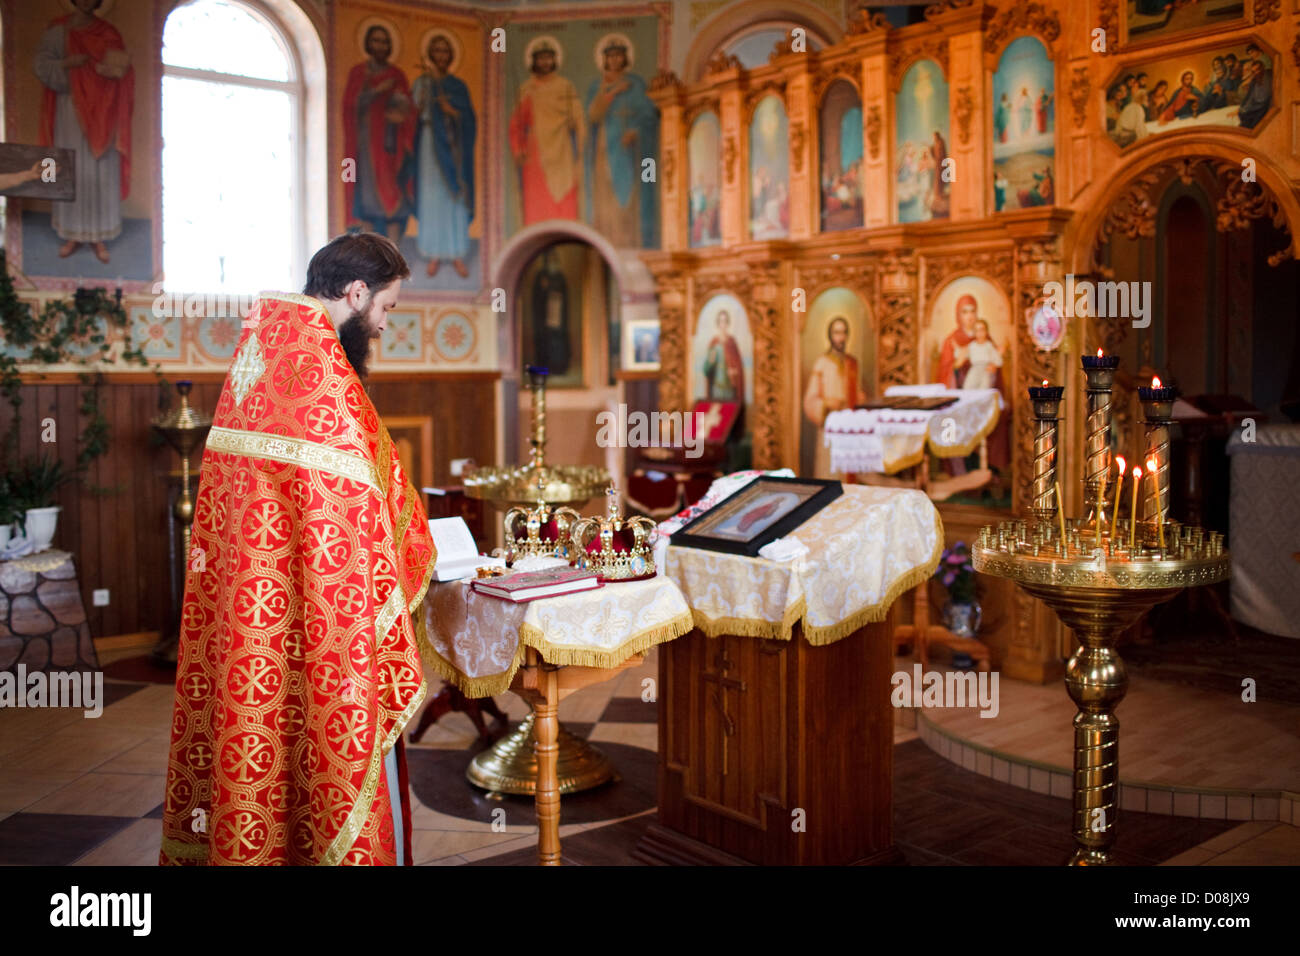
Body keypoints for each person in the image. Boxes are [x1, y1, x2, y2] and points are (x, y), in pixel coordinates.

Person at [160, 233, 436, 866]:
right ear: (356, 292)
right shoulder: (322, 379)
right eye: (386, 310)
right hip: (314, 619)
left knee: (255, 738)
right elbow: (362, 512)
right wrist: (421, 539)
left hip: (247, 622)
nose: (385, 327)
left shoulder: (262, 348)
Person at [33, 0, 133, 264]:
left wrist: (108, 71)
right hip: (70, 109)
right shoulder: (58, 30)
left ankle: (98, 236)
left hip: (103, 111)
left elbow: (123, 68)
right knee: (72, 169)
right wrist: (69, 63)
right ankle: (72, 234)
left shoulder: (109, 33)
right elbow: (42, 65)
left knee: (100, 170)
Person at [409, 34, 476, 279]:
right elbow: (410, 114)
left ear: (451, 56)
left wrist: (454, 113)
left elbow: (470, 121)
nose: (441, 56)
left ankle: (456, 253)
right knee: (432, 198)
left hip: (454, 149)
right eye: (436, 51)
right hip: (429, 144)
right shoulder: (422, 83)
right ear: (430, 54)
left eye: (445, 51)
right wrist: (423, 101)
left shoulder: (458, 87)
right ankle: (433, 253)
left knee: (453, 197)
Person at [584, 37, 658, 248]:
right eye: (610, 56)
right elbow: (593, 115)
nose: (615, 60)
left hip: (632, 154)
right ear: (604, 59)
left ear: (625, 57)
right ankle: (608, 246)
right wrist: (613, 91)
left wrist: (636, 131)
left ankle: (631, 244)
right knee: (605, 199)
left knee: (632, 198)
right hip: (605, 150)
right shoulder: (597, 86)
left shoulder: (636, 84)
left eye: (619, 55)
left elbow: (650, 115)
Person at [342, 25, 414, 244]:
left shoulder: (397, 75)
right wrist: (378, 91)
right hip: (365, 144)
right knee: (368, 197)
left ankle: (394, 251)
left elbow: (408, 109)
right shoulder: (359, 73)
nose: (380, 46)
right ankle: (369, 249)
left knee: (395, 193)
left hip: (392, 145)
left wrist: (401, 108)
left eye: (384, 41)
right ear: (367, 44)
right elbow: (351, 105)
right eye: (375, 41)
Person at [509, 41, 584, 224]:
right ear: (534, 61)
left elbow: (579, 119)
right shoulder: (526, 89)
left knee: (564, 198)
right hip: (535, 154)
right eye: (541, 58)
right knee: (537, 203)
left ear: (554, 60)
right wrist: (519, 149)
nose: (545, 62)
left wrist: (580, 151)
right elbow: (516, 124)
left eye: (548, 58)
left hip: (562, 151)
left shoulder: (565, 86)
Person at [802, 316, 863, 477]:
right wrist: (826, 404)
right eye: (836, 333)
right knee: (829, 472)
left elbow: (859, 393)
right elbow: (810, 399)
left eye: (843, 333)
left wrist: (860, 400)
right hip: (829, 425)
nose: (840, 338)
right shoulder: (822, 363)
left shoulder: (852, 363)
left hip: (850, 426)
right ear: (830, 336)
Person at [702, 309, 744, 406]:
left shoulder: (732, 343)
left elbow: (738, 367)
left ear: (727, 323)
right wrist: (710, 362)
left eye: (725, 321)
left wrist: (734, 372)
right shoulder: (714, 343)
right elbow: (706, 371)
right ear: (718, 323)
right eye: (721, 321)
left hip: (729, 390)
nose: (723, 324)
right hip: (717, 390)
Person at [936, 294, 977, 389]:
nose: (969, 316)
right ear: (958, 315)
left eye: (972, 311)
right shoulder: (950, 340)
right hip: (959, 388)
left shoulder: (984, 338)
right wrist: (957, 364)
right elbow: (944, 374)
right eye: (965, 312)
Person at [961, 320, 1003, 390]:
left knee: (984, 388)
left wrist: (993, 365)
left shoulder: (989, 345)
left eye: (981, 330)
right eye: (977, 330)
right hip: (974, 369)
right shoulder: (972, 346)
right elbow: (962, 355)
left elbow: (998, 360)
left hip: (986, 370)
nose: (979, 333)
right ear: (974, 332)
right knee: (968, 387)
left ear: (986, 331)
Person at [1236, 59, 1272, 130]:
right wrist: (1242, 108)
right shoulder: (1254, 81)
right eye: (1254, 71)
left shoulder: (1267, 78)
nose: (1256, 72)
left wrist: (1245, 109)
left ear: (1262, 68)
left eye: (1258, 69)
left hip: (1261, 109)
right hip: (1253, 108)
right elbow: (1249, 97)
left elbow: (1262, 99)